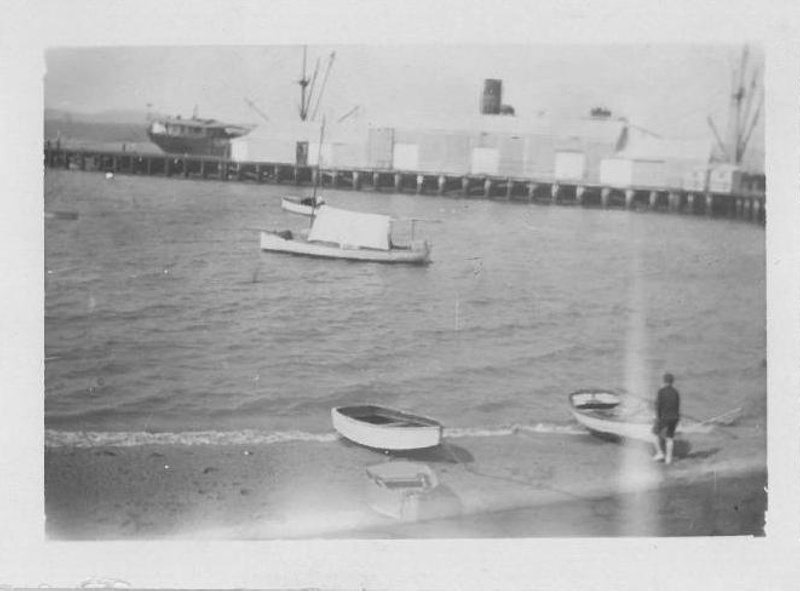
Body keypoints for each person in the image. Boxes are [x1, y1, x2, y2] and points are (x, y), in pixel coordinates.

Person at [652, 372, 680, 464]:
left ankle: (660, 453)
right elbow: (677, 406)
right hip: (674, 417)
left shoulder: (661, 391)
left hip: (665, 417)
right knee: (670, 437)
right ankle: (668, 459)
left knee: (654, 433)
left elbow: (658, 406)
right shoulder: (676, 392)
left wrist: (657, 418)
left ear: (664, 381)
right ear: (672, 382)